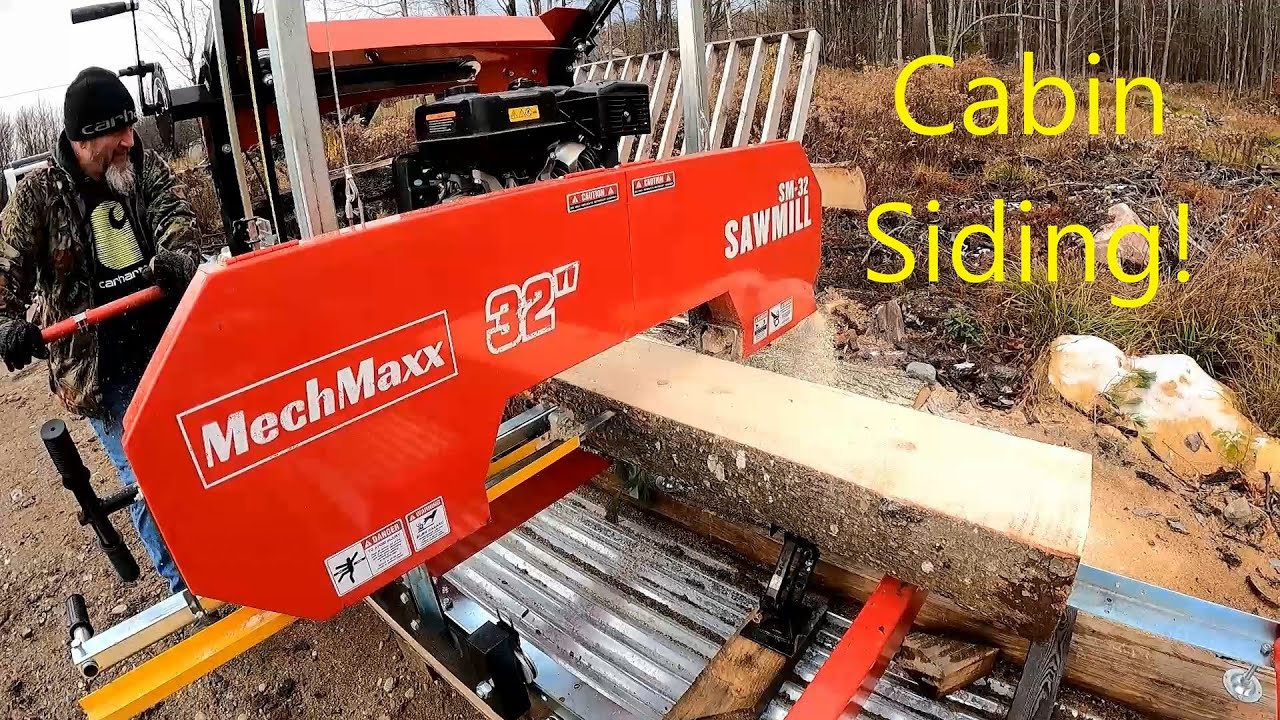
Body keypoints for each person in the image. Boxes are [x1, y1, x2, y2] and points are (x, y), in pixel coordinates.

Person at [0, 67, 202, 594]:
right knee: (148, 482)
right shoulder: (38, 197)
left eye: (131, 130)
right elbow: (4, 271)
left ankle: (220, 551)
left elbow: (176, 216)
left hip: (166, 347)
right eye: (119, 132)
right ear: (83, 138)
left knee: (199, 456)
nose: (130, 141)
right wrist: (7, 324)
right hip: (102, 370)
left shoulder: (140, 166)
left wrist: (176, 256)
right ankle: (187, 588)